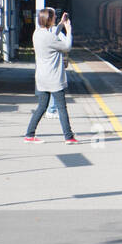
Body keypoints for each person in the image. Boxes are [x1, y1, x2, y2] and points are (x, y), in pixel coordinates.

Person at [24, 9, 77, 143]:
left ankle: (29, 134)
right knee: (62, 108)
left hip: (41, 77)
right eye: (54, 17)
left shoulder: (37, 33)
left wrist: (60, 24)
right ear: (49, 20)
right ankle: (69, 137)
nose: (55, 19)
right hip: (53, 78)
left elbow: (52, 34)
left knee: (41, 107)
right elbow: (67, 47)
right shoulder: (50, 37)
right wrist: (68, 29)